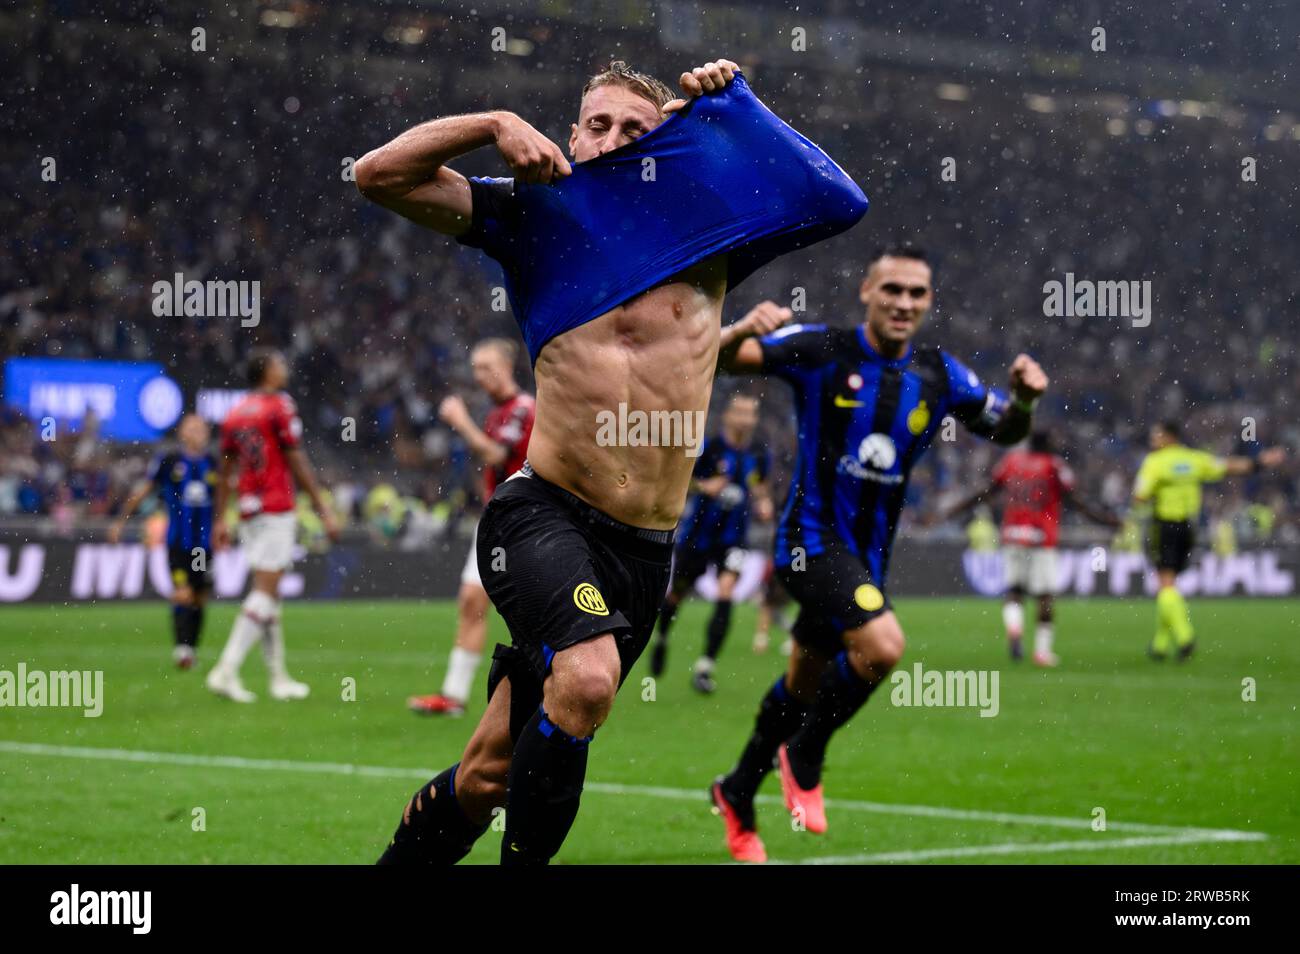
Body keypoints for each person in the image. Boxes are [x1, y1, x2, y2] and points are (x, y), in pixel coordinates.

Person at [357, 56, 866, 864]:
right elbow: (377, 174)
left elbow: (839, 198)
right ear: (571, 133)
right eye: (599, 123)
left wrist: (737, 105)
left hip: (644, 551)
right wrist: (490, 124)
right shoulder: (534, 212)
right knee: (588, 681)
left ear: (669, 144)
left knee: (489, 775)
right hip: (543, 513)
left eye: (637, 129)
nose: (615, 138)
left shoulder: (707, 225)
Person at [711, 247, 1049, 862]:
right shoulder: (822, 349)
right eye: (892, 289)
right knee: (883, 646)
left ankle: (737, 790)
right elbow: (725, 361)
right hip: (809, 543)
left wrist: (1024, 402)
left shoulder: (939, 375)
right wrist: (738, 329)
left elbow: (1005, 428)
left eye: (917, 293)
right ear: (867, 290)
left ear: (929, 301)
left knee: (801, 685)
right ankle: (806, 756)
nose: (904, 302)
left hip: (866, 557)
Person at [205, 349, 340, 702]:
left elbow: (225, 471)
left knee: (270, 594)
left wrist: (221, 517)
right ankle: (225, 669)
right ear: (266, 372)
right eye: (280, 364)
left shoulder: (234, 414)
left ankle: (278, 678)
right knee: (265, 592)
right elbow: (295, 456)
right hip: (276, 504)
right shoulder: (279, 406)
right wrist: (321, 506)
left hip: (249, 508)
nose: (285, 369)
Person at [409, 338, 535, 716]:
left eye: (486, 367)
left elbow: (498, 455)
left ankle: (549, 688)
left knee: (528, 614)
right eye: (475, 368)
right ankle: (454, 695)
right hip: (493, 521)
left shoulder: (522, 409)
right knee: (471, 602)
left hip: (521, 523)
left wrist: (460, 421)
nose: (479, 375)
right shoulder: (495, 413)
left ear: (507, 366)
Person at [927, 430, 1120, 666]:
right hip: (1041, 538)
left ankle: (1015, 632)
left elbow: (987, 491)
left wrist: (955, 510)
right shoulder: (1054, 465)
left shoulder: (1012, 462)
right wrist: (1104, 519)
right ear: (1048, 443)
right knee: (1045, 596)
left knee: (1014, 591)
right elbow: (1074, 499)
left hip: (1012, 535)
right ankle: (1041, 651)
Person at [1132, 420, 1285, 660]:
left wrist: (1153, 493)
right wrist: (1260, 462)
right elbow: (1228, 467)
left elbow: (1139, 497)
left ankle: (1185, 637)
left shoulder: (1155, 462)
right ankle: (1160, 645)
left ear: (1169, 437)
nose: (1154, 439)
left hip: (1165, 526)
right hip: (1188, 529)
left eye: (1157, 435)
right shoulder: (1194, 459)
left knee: (1165, 584)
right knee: (1170, 585)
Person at [650, 393, 772, 693]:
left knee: (726, 591)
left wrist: (764, 502)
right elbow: (676, 481)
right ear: (727, 416)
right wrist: (705, 486)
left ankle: (705, 666)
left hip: (735, 539)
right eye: (740, 412)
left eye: (750, 413)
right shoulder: (707, 448)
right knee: (677, 593)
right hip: (699, 536)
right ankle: (662, 638)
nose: (745, 419)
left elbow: (760, 486)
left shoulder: (758, 453)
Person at [109, 414, 217, 669]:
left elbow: (223, 494)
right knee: (182, 593)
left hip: (202, 547)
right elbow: (143, 490)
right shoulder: (169, 461)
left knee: (199, 596)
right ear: (182, 433)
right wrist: (120, 521)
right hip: (178, 543)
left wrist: (224, 522)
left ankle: (191, 648)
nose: (199, 432)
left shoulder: (212, 463)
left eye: (202, 428)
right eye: (193, 428)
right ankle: (182, 650)